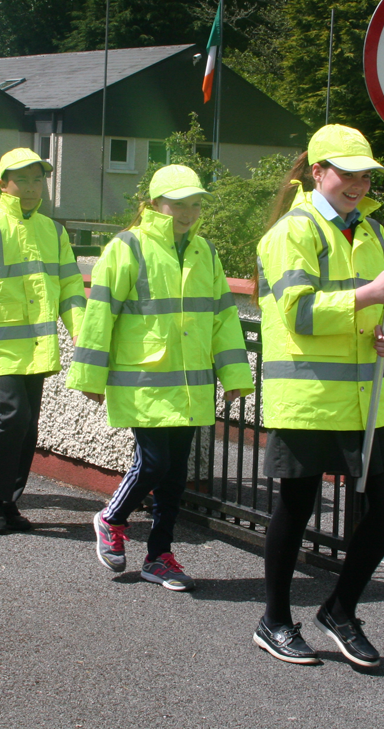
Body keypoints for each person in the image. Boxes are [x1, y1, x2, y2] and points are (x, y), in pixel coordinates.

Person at [252, 123, 384, 667]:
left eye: (366, 174)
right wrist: (368, 297)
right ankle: (274, 620)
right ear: (317, 171)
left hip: (367, 398)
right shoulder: (289, 232)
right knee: (295, 508)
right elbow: (298, 312)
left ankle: (340, 609)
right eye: (347, 172)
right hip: (308, 396)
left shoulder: (373, 231)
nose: (359, 183)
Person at [68, 164, 252, 591]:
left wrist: (234, 374)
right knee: (154, 462)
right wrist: (90, 376)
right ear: (153, 205)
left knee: (173, 477)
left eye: (194, 204)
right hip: (144, 381)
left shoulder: (204, 251)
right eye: (177, 204)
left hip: (190, 385)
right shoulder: (127, 247)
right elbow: (101, 315)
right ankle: (111, 518)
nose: (187, 212)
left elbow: (223, 316)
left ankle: (159, 556)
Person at [0, 148, 85, 533]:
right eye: (21, 178)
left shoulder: (53, 231)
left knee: (28, 426)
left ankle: (8, 501)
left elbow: (71, 284)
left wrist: (80, 328)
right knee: (15, 416)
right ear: (2, 183)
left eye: (37, 178)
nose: (30, 186)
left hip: (38, 348)